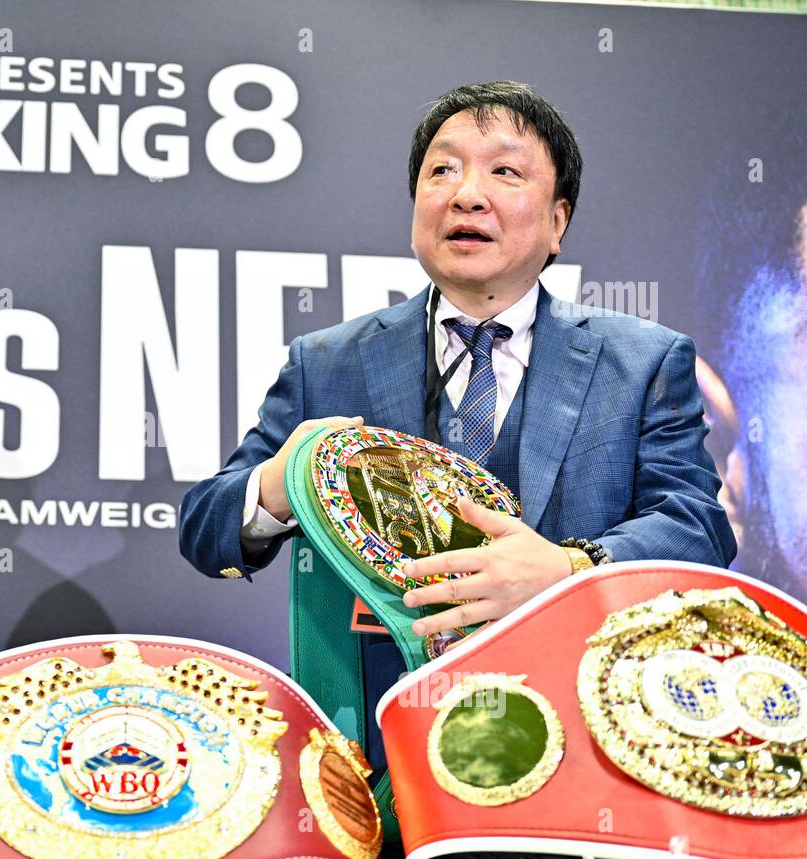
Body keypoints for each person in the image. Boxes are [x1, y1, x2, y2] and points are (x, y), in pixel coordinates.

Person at [179, 81, 736, 766]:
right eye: (442, 170)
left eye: (505, 171)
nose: (466, 194)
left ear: (558, 222)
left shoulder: (643, 361)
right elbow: (205, 532)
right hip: (380, 751)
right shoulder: (328, 362)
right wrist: (277, 483)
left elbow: (698, 526)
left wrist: (572, 567)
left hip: (578, 744)